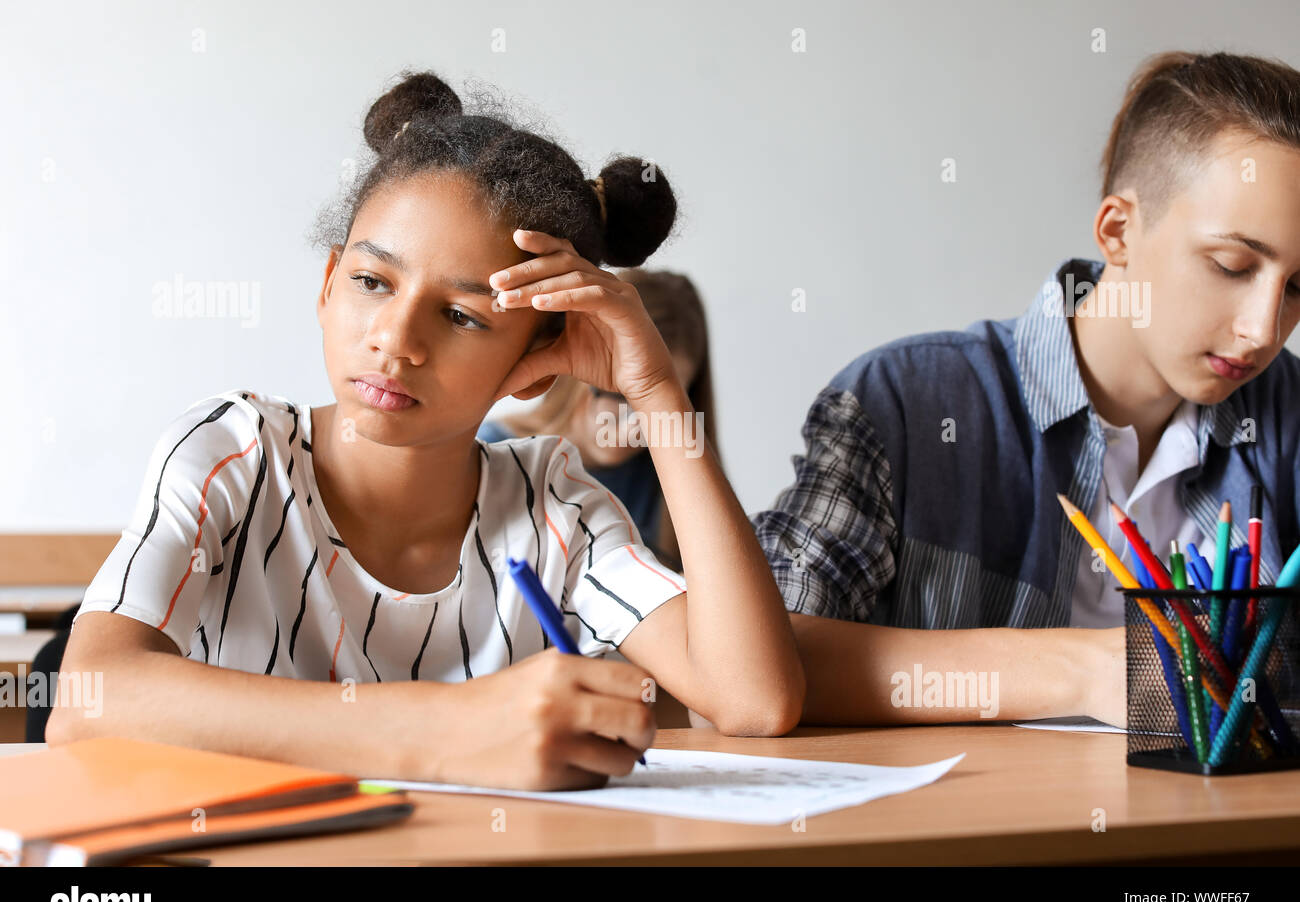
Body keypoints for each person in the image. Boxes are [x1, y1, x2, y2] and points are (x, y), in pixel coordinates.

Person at [52, 71, 803, 789]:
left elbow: (753, 698)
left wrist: (656, 390)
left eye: (462, 315)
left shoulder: (555, 509)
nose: (396, 339)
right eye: (372, 282)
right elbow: (87, 699)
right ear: (326, 285)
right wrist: (451, 731)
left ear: (537, 364)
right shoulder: (233, 455)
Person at [751, 51, 1300, 728]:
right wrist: (1090, 673)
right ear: (1118, 231)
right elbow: (761, 662)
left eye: (1298, 287)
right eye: (1232, 264)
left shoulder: (1286, 415)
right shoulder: (904, 403)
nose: (1263, 329)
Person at [479, 268, 717, 572]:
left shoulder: (672, 483)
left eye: (663, 405)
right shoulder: (495, 453)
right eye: (624, 395)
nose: (637, 426)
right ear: (586, 370)